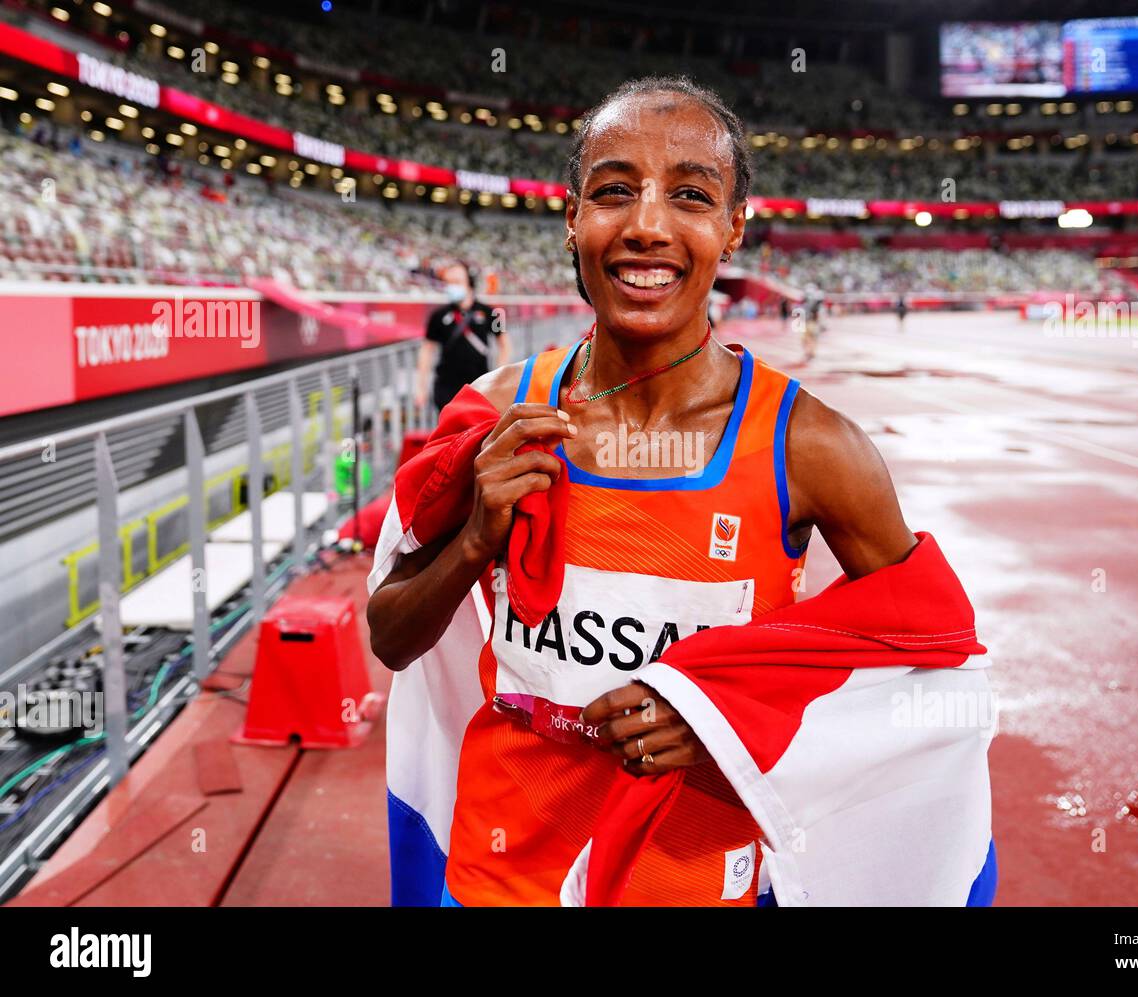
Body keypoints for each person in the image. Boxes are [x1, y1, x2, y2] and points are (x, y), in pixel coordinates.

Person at [368, 76, 994, 906]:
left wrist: (729, 724)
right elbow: (390, 635)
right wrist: (477, 539)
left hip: (699, 880)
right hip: (500, 877)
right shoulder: (492, 413)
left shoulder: (812, 448)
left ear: (733, 228)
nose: (647, 226)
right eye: (613, 191)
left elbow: (924, 674)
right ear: (572, 216)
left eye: (690, 195)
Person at [414, 260, 511, 413]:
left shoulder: (491, 312)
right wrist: (421, 387)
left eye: (457, 282)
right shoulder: (437, 316)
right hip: (445, 389)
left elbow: (504, 344)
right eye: (448, 282)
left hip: (480, 387)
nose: (451, 286)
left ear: (469, 282)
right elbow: (426, 350)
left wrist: (498, 378)